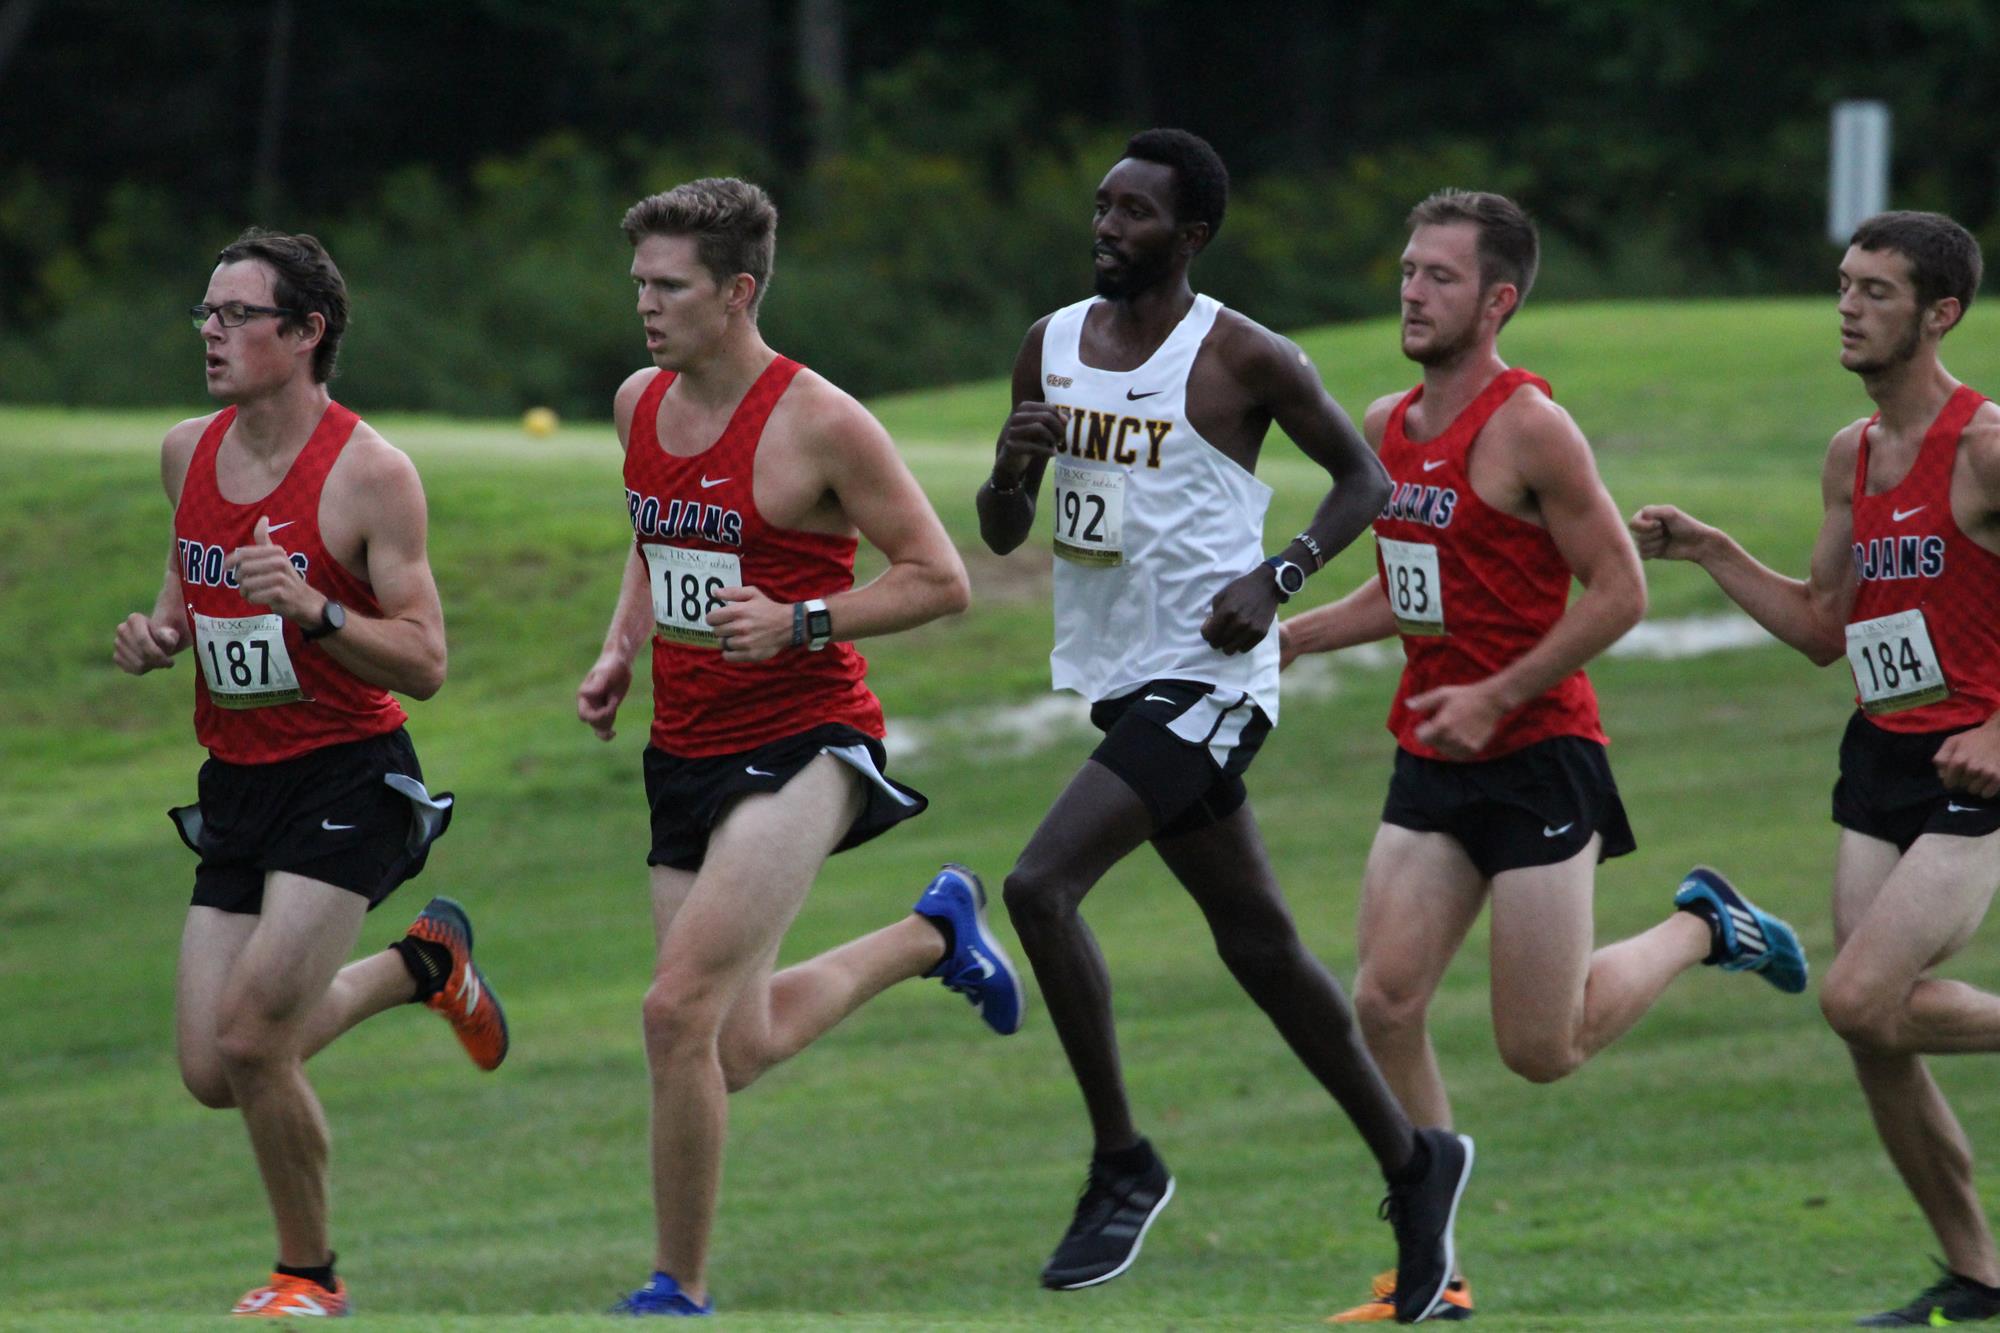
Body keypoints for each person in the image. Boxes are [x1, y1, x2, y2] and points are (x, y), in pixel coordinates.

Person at [1280, 190, 1808, 1324]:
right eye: (1409, 270)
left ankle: (1700, 925)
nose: (1412, 292)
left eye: (1440, 277)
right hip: (1431, 748)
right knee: (1381, 1001)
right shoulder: (1384, 425)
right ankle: (1436, 1268)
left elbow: (1617, 590)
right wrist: (1287, 637)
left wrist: (1501, 691)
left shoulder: (1530, 428)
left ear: (1498, 299)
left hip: (1538, 755)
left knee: (1541, 1046)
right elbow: (1403, 586)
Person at [976, 127, 1470, 1324]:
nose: (1105, 227)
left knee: (1038, 887)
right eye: (1100, 206)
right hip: (1114, 673)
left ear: (1187, 236)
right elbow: (999, 532)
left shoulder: (1242, 355)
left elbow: (1367, 482)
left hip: (1208, 677)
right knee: (1256, 946)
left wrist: (1278, 575)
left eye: (1133, 213)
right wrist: (1009, 465)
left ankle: (1121, 1164)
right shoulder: (1045, 345)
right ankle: (1415, 1164)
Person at [574, 177, 1023, 1318]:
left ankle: (676, 1287)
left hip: (805, 737)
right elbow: (651, 533)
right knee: (733, 1044)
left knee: (674, 1014)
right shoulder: (638, 401)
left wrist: (799, 621)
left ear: (735, 292)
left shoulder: (819, 420)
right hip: (683, 745)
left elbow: (940, 579)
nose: (645, 305)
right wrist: (621, 648)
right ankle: (933, 934)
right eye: (638, 284)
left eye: (667, 287)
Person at [113, 228, 507, 1319]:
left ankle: (309, 1276)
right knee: (212, 1066)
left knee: (251, 1039)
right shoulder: (186, 452)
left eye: (238, 315)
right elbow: (189, 593)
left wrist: (318, 610)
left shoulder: (371, 473)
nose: (212, 332)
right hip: (238, 782)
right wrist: (159, 635)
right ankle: (422, 967)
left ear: (305, 332)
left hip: (347, 777)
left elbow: (425, 661)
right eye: (206, 311)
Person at [1632, 210, 2000, 1328]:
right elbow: (1818, 628)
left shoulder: (1984, 446)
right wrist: (1708, 549)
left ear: (1937, 314)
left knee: (1856, 996)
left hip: (1970, 764)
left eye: (1874, 291)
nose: (1846, 305)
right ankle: (1975, 1274)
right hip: (1877, 756)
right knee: (1868, 1034)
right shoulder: (1849, 453)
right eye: (1842, 283)